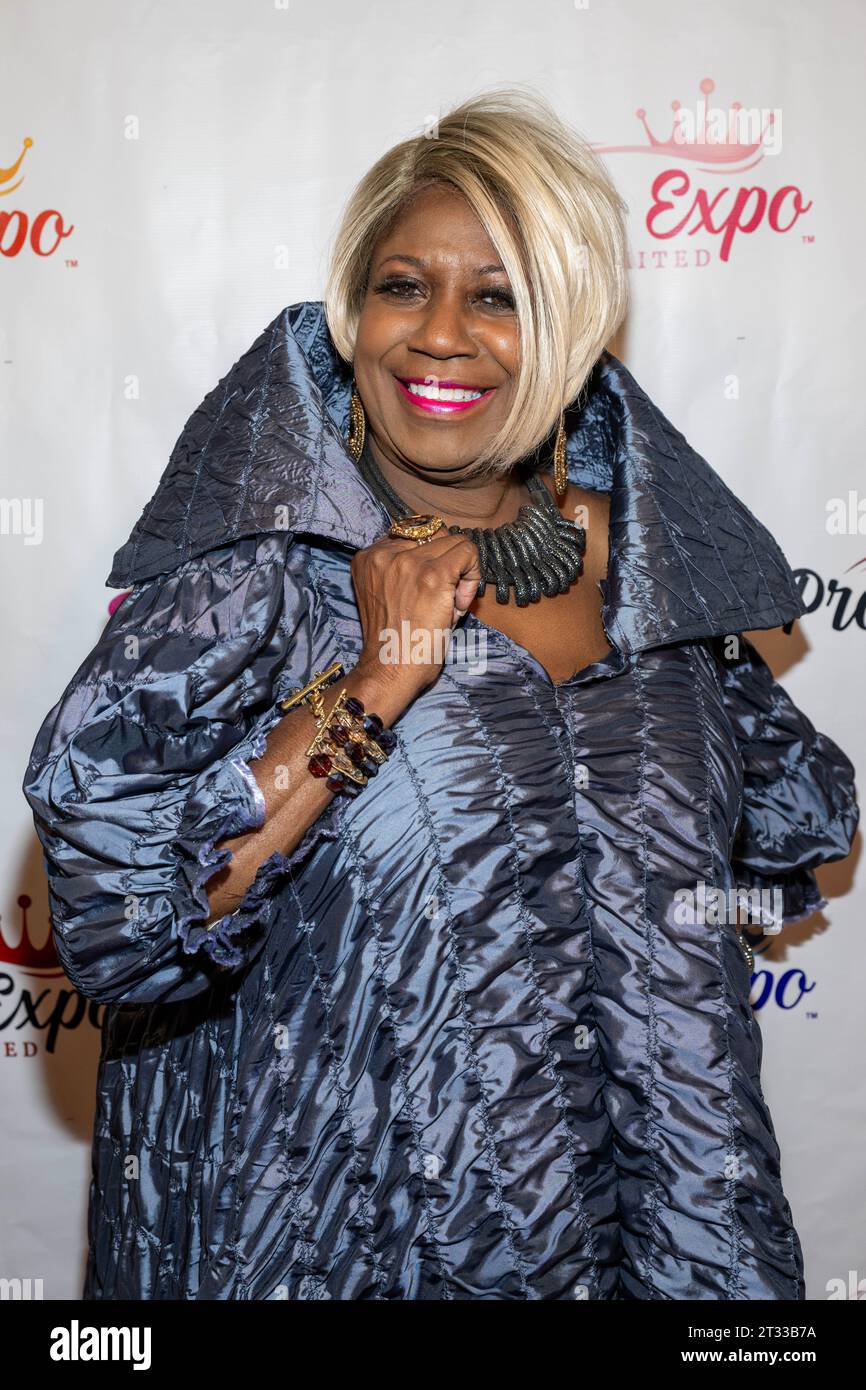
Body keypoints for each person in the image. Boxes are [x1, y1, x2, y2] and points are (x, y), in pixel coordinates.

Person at [22, 87, 858, 1300]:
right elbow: (124, 923)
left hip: (653, 1249)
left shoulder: (666, 583)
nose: (439, 336)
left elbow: (778, 825)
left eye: (498, 295)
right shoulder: (254, 578)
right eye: (402, 285)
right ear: (352, 309)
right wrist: (373, 682)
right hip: (334, 1246)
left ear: (569, 322)